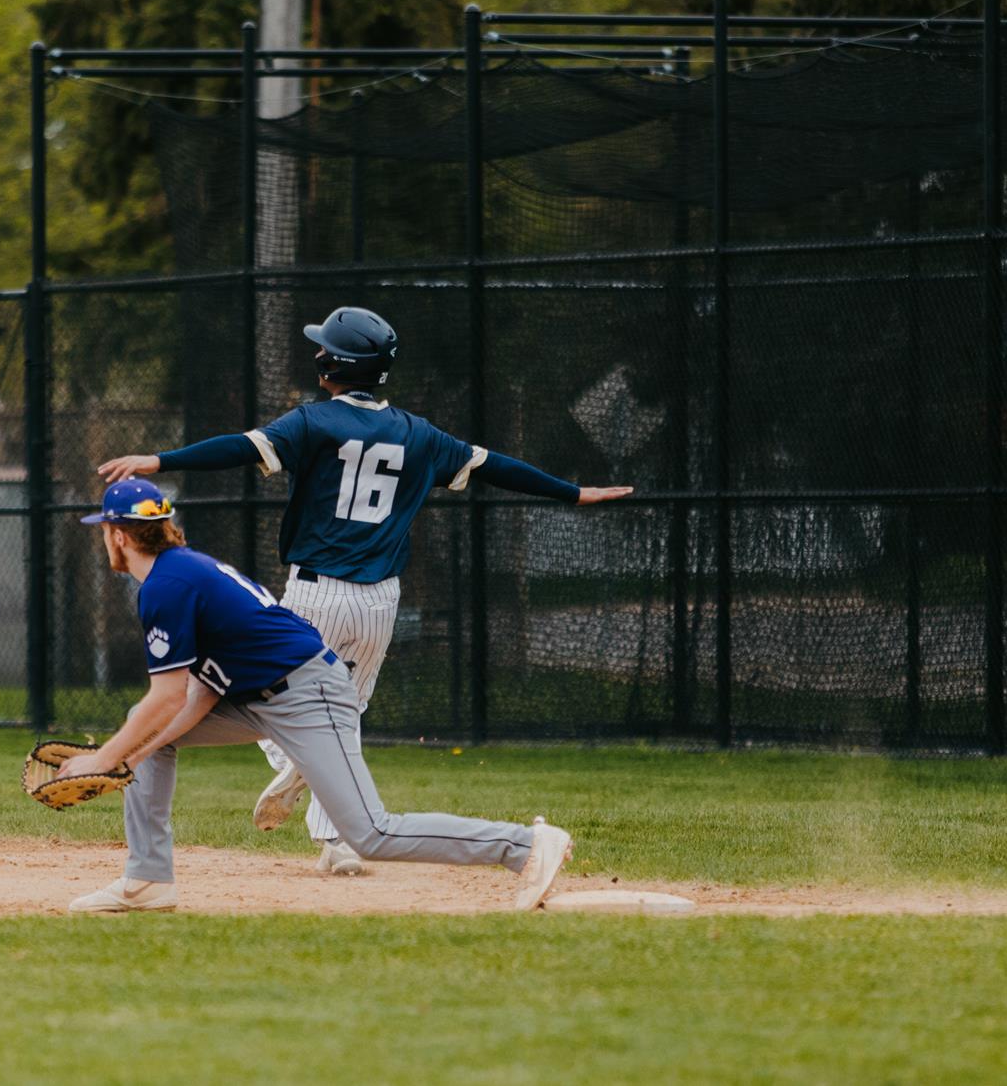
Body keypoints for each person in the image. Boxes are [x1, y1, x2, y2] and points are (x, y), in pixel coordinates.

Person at [98, 306, 630, 875]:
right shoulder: (418, 433)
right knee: (343, 711)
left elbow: (239, 447)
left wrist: (159, 459)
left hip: (316, 593)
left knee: (278, 698)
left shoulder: (314, 422)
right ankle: (336, 841)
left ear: (330, 364)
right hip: (380, 601)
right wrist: (572, 493)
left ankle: (300, 773)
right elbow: (496, 464)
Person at [57, 478, 573, 913]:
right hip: (261, 696)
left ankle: (526, 845)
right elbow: (200, 695)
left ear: (118, 534)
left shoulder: (167, 586)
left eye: (103, 530)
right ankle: (148, 879)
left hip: (309, 693)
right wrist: (131, 755)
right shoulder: (182, 571)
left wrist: (101, 759)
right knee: (148, 736)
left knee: (371, 833)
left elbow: (166, 697)